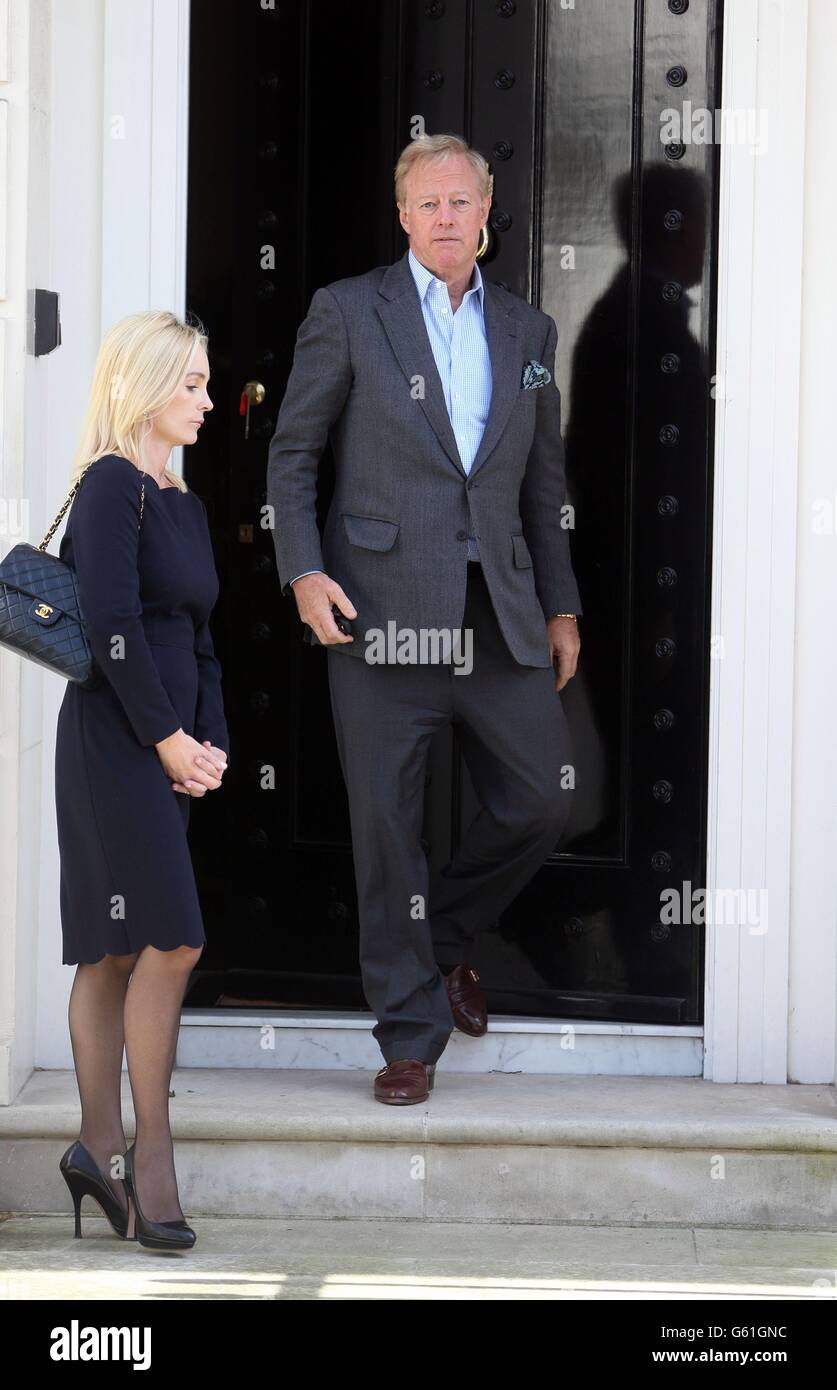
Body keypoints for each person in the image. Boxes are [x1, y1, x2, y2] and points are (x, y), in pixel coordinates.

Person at [267, 133, 582, 1104]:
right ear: (403, 216)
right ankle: (410, 1032)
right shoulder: (349, 312)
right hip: (378, 610)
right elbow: (293, 452)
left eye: (462, 201)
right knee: (387, 829)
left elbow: (542, 483)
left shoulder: (528, 334)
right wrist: (303, 572)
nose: (447, 217)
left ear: (487, 214)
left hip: (499, 610)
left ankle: (443, 940)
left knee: (547, 795)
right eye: (428, 203)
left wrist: (563, 604)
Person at [55, 309, 229, 1249]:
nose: (207, 401)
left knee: (128, 946)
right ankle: (137, 1150)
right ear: (143, 386)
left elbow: (197, 636)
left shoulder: (183, 502)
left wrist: (213, 740)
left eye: (206, 384)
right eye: (191, 384)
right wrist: (166, 740)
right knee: (162, 941)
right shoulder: (111, 486)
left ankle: (99, 1153)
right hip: (115, 745)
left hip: (170, 748)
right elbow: (114, 627)